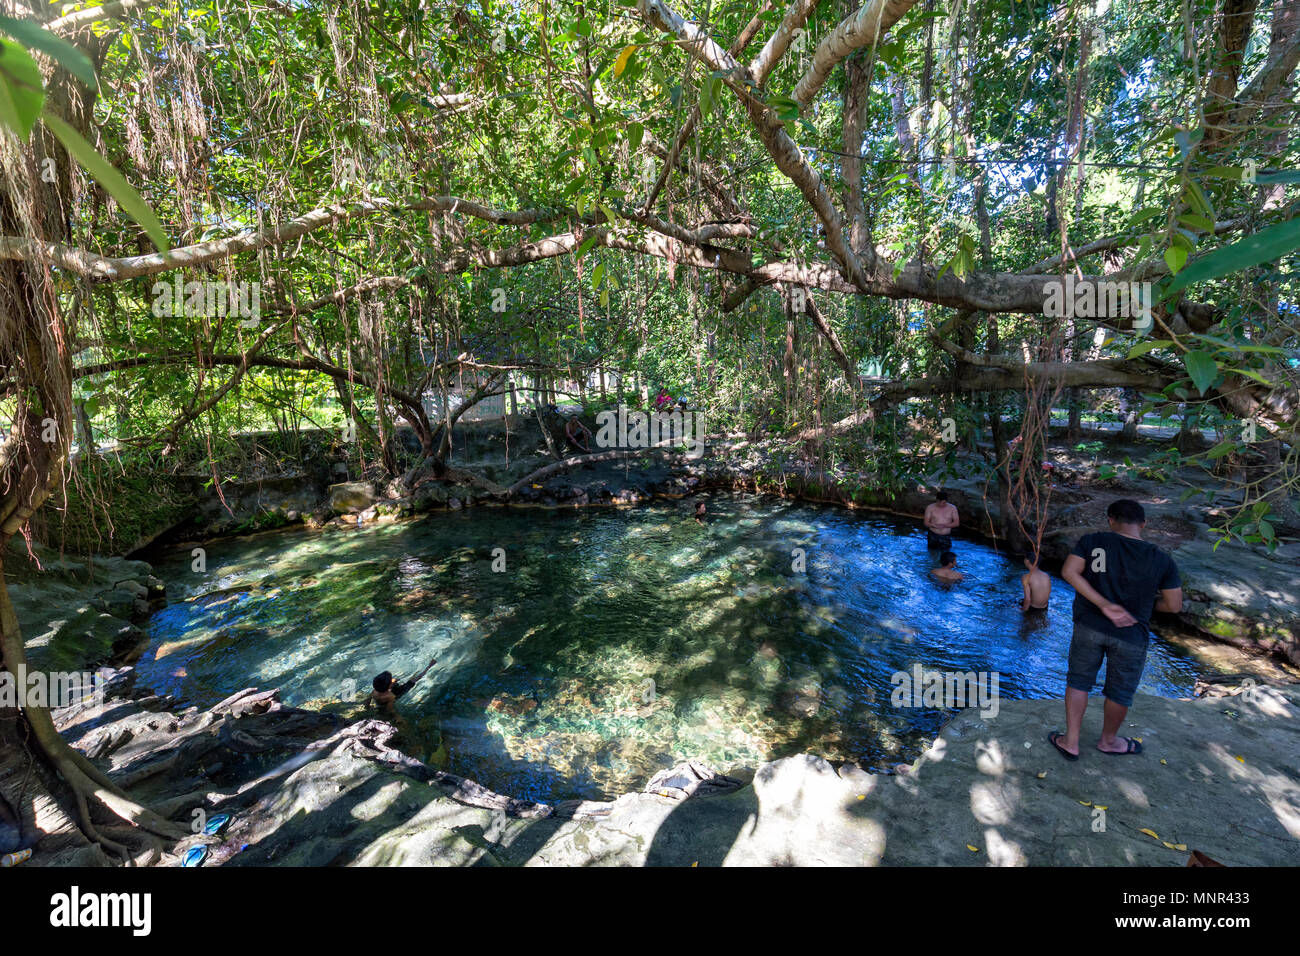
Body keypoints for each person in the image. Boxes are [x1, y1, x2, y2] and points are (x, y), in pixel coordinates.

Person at [1050, 499, 1182, 760]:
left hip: (1089, 625)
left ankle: (1071, 741)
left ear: (1110, 520)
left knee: (1079, 680)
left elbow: (1069, 572)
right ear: (1143, 524)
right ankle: (1109, 741)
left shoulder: (1093, 541)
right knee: (1120, 690)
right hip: (1132, 632)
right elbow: (1174, 605)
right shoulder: (1161, 560)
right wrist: (1144, 606)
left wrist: (1104, 604)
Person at [369, 655, 438, 713]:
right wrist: (397, 716)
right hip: (397, 693)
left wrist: (366, 706)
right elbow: (390, 709)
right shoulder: (391, 697)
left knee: (397, 680)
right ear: (389, 686)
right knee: (414, 680)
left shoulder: (375, 690)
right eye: (391, 680)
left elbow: (368, 699)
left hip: (387, 691)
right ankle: (429, 666)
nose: (392, 679)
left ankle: (427, 667)